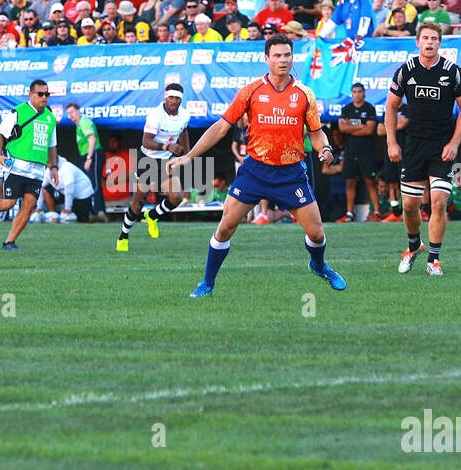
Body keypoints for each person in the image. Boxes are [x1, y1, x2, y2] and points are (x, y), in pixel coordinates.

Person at [167, 33, 345, 297]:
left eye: (287, 55)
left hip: (291, 172)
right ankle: (207, 283)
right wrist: (189, 156)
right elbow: (220, 128)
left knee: (317, 234)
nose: (283, 60)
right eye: (277, 55)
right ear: (266, 59)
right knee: (226, 226)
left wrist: (326, 148)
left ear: (292, 57)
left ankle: (318, 266)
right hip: (255, 170)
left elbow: (316, 133)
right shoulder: (250, 91)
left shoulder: (305, 94)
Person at [383, 22, 461, 275]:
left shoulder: (453, 72)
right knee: (409, 207)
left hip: (442, 147)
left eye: (434, 38)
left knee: (439, 202)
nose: (430, 42)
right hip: (414, 146)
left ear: (440, 43)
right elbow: (390, 106)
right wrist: (391, 141)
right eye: (425, 38)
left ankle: (434, 260)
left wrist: (454, 143)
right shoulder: (406, 71)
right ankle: (414, 246)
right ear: (418, 42)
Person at [0, 79, 58, 250]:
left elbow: (52, 145)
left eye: (47, 94)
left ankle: (9, 242)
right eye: (40, 94)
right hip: (17, 165)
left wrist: (54, 168)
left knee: (29, 206)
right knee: (8, 202)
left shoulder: (50, 118)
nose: (44, 97)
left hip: (38, 170)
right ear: (31, 95)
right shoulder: (18, 112)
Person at [117, 84, 191, 252]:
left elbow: (184, 132)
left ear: (181, 99)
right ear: (165, 97)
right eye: (171, 97)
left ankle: (152, 216)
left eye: (177, 98)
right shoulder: (155, 115)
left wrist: (187, 154)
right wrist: (167, 147)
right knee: (138, 203)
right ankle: (123, 235)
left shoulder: (185, 114)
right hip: (147, 160)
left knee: (176, 197)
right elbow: (146, 140)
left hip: (167, 161)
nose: (174, 101)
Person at [336, 82, 380, 221]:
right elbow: (342, 128)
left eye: (359, 91)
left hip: (366, 151)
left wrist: (351, 127)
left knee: (370, 181)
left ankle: (376, 213)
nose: (357, 94)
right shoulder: (347, 109)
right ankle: (350, 213)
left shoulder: (370, 108)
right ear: (352, 94)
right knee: (350, 181)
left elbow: (370, 130)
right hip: (350, 150)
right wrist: (361, 126)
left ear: (364, 93)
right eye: (354, 92)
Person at [65, 101, 104, 220]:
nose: (70, 115)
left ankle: (99, 212)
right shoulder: (78, 125)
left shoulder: (84, 121)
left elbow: (92, 139)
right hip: (86, 155)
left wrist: (89, 158)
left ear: (78, 111)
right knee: (86, 183)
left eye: (72, 112)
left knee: (94, 183)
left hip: (93, 154)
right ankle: (90, 212)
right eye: (68, 113)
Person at [42, 155, 95, 222]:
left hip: (81, 194)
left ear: (56, 160)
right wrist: (38, 208)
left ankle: (100, 217)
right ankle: (53, 214)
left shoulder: (66, 167)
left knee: (83, 219)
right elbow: (41, 186)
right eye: (47, 162)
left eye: (49, 162)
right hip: (63, 193)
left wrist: (67, 208)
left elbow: (69, 189)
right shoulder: (48, 170)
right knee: (46, 190)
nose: (48, 165)